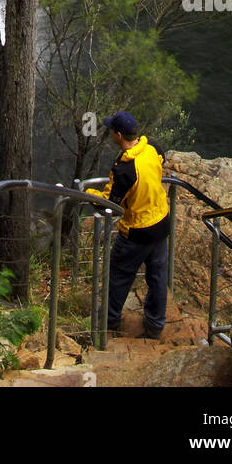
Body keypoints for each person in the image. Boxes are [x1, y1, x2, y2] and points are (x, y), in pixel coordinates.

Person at [86, 110, 170, 339]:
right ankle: (155, 325)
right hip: (161, 222)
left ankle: (109, 321)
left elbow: (109, 203)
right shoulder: (152, 147)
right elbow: (161, 163)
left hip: (138, 231)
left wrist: (87, 192)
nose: (110, 133)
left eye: (111, 130)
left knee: (119, 276)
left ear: (119, 135)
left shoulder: (125, 169)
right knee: (158, 277)